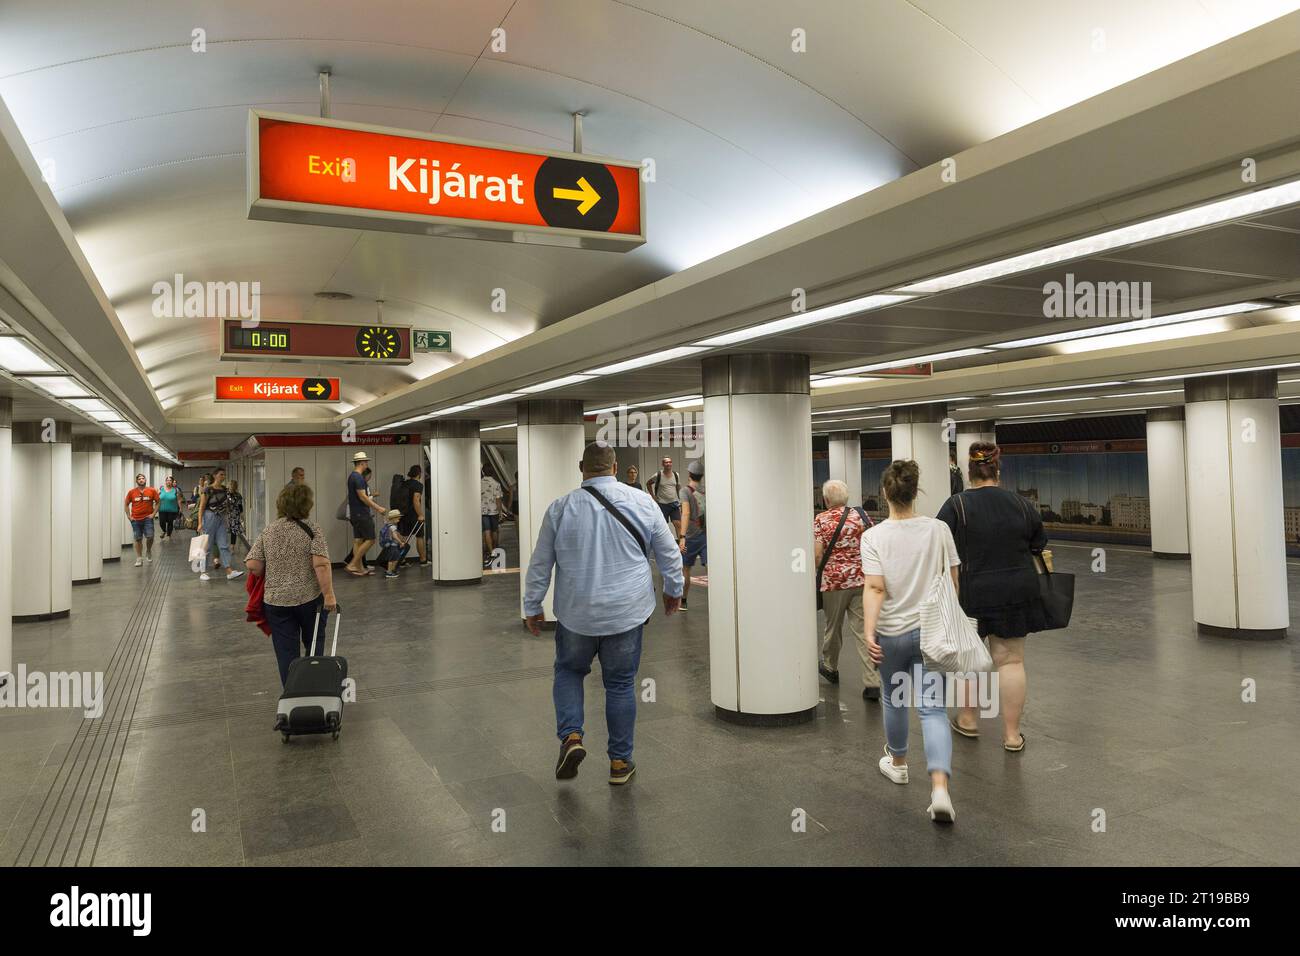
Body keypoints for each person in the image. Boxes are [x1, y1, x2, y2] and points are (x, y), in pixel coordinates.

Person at [524, 442, 684, 786]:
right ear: (615, 468)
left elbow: (541, 563)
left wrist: (532, 605)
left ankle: (572, 738)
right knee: (620, 684)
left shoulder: (559, 509)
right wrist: (674, 590)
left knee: (568, 671)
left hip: (576, 613)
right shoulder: (644, 502)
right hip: (626, 611)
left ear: (582, 468)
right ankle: (619, 764)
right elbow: (669, 552)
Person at [861, 459, 959, 824]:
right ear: (915, 492)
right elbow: (953, 582)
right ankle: (939, 790)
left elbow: (874, 587)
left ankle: (899, 763)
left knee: (894, 697)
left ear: (885, 493)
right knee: (933, 708)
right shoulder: (939, 530)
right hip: (932, 631)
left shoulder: (873, 537)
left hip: (893, 632)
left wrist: (870, 632)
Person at [938, 442, 1047, 752]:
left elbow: (940, 545)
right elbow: (1039, 543)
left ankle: (969, 720)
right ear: (998, 471)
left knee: (969, 661)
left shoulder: (956, 505)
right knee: (1011, 662)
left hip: (971, 592)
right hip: (1016, 590)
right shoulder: (1023, 505)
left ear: (970, 473)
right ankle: (1012, 736)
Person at [244, 482, 338, 686]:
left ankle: (292, 691)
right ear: (307, 505)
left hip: (277, 602)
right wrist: (329, 595)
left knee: (286, 650)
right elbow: (321, 564)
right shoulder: (313, 529)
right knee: (314, 642)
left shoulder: (269, 530)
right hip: (309, 599)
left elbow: (253, 564)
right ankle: (314, 685)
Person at [814, 479, 880, 699]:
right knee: (863, 631)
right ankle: (872, 682)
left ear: (825, 500)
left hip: (834, 583)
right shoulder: (861, 516)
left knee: (833, 627)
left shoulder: (821, 520)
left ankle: (831, 667)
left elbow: (817, 555)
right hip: (862, 580)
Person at [198, 467, 243, 581]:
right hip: (209, 517)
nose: (224, 477)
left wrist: (227, 519)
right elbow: (201, 507)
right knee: (207, 545)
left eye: (224, 475)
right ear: (215, 476)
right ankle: (203, 571)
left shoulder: (224, 489)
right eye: (221, 474)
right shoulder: (207, 490)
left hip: (221, 518)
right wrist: (200, 523)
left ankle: (229, 571)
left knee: (223, 544)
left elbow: (226, 505)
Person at [344, 453, 386, 576]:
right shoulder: (358, 478)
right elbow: (363, 497)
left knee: (358, 540)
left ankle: (359, 568)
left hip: (354, 513)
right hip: (362, 513)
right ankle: (352, 564)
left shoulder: (352, 476)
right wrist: (378, 508)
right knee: (371, 539)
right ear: (362, 463)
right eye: (366, 462)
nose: (367, 464)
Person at [677, 460, 706, 611]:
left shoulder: (684, 491)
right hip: (706, 536)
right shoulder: (705, 490)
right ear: (701, 476)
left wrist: (682, 537)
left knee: (686, 569)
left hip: (691, 536)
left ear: (689, 474)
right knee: (710, 568)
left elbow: (686, 513)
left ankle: (684, 601)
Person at [123, 473, 160, 567]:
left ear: (145, 480)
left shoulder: (152, 490)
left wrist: (154, 513)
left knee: (150, 536)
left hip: (148, 518)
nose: (141, 480)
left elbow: (158, 502)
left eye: (143, 478)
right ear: (136, 481)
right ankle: (139, 558)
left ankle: (148, 550)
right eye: (139, 479)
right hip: (135, 519)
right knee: (138, 538)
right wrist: (129, 516)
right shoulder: (132, 492)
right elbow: (126, 504)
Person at [395, 465, 427, 566]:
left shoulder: (404, 484)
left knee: (404, 537)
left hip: (403, 514)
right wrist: (420, 514)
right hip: (414, 515)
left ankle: (401, 560)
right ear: (419, 474)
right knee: (419, 536)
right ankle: (423, 560)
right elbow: (416, 500)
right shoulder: (418, 485)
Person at [480, 467, 505, 566]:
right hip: (494, 510)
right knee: (495, 530)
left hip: (483, 511)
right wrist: (500, 512)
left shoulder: (478, 483)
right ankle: (495, 548)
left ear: (483, 472)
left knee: (486, 531)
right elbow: (498, 500)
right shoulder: (496, 484)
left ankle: (491, 552)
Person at [646, 457, 681, 526]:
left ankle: (681, 537)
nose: (668, 464)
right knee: (663, 526)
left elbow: (678, 486)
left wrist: (680, 498)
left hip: (674, 504)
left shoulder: (676, 475)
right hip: (662, 504)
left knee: (678, 524)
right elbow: (648, 484)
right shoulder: (658, 475)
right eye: (666, 462)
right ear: (662, 464)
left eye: (670, 462)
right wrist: (653, 497)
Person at [379, 509, 408, 579]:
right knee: (394, 559)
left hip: (389, 545)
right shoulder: (393, 527)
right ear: (394, 518)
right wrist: (401, 542)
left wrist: (383, 515)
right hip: (393, 546)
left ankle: (390, 571)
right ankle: (390, 572)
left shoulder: (387, 524)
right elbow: (394, 536)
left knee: (392, 559)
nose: (399, 520)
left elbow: (384, 520)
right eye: (398, 518)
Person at [228, 479, 250, 551]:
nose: (231, 487)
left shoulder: (238, 495)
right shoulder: (227, 494)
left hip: (234, 515)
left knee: (234, 530)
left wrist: (241, 514)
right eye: (230, 485)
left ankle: (232, 546)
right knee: (231, 530)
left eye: (232, 485)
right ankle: (230, 545)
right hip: (228, 515)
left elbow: (240, 506)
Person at [157, 476, 182, 541]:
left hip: (172, 510)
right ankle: (164, 531)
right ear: (165, 482)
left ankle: (168, 534)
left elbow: (179, 500)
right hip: (162, 509)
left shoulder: (176, 490)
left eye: (170, 480)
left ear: (172, 482)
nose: (168, 481)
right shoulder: (161, 489)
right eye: (167, 480)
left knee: (170, 522)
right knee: (162, 522)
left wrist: (180, 508)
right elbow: (157, 498)